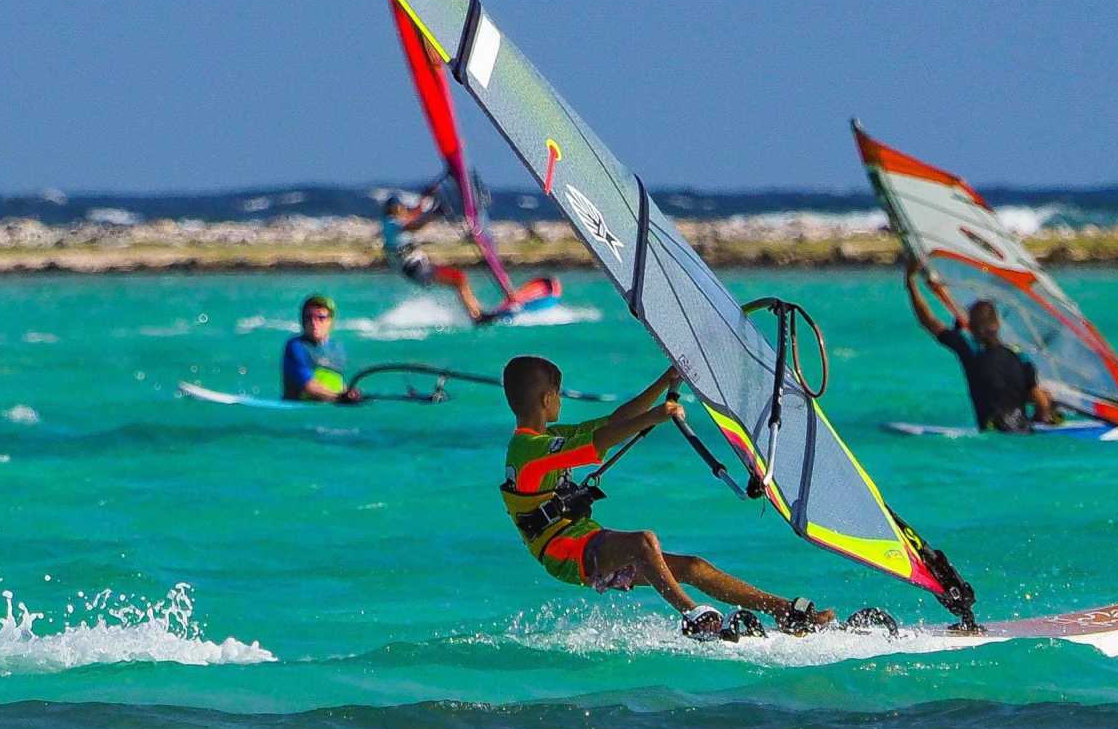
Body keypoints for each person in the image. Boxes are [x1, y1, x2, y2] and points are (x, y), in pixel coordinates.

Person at [499, 355, 835, 641]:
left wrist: (665, 380)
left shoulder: (549, 437)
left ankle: (785, 613)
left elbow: (615, 421)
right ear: (547, 400)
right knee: (643, 543)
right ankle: (695, 616)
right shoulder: (529, 449)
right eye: (558, 394)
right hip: (566, 552)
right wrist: (656, 416)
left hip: (586, 542)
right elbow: (599, 442)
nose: (560, 400)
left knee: (692, 567)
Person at [903, 262, 1062, 432]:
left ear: (971, 328)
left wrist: (910, 284)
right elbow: (1041, 402)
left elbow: (929, 322)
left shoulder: (970, 352)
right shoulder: (1019, 357)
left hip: (993, 436)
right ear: (998, 324)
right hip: (1023, 431)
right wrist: (1041, 416)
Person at [383, 193, 487, 323]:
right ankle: (477, 316)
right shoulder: (391, 222)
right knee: (458, 278)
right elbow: (413, 226)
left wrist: (426, 197)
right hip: (415, 269)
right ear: (396, 208)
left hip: (416, 267)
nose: (405, 209)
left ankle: (478, 313)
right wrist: (435, 214)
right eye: (402, 207)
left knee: (459, 278)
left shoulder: (395, 221)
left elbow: (414, 215)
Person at [280, 295, 360, 403]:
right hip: (302, 409)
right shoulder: (295, 346)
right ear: (302, 321)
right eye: (308, 317)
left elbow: (338, 382)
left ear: (330, 321)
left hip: (332, 407)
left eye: (321, 318)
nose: (314, 322)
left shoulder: (337, 347)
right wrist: (338, 397)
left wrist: (350, 393)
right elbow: (308, 387)